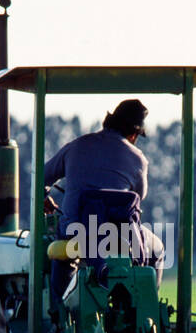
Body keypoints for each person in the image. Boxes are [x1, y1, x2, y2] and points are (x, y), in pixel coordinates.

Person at [43, 99, 158, 296]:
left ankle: (58, 306)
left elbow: (42, 177)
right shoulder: (138, 158)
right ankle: (147, 303)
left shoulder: (77, 146)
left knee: (63, 257)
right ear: (134, 134)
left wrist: (45, 197)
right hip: (119, 235)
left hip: (76, 230)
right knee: (157, 250)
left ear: (109, 121)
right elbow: (138, 197)